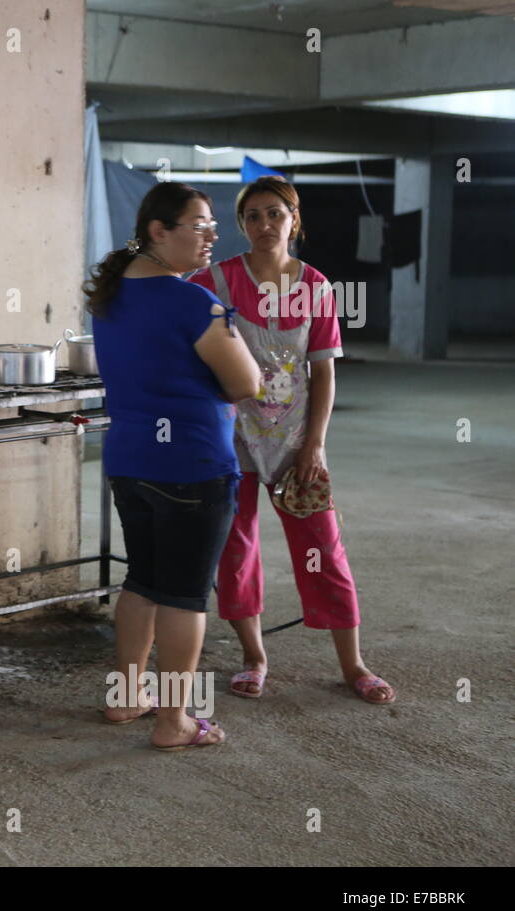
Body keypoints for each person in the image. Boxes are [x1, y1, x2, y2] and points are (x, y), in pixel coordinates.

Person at [188, 176, 396, 704]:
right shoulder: (214, 282)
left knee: (323, 547)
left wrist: (315, 444)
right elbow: (181, 344)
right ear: (241, 225)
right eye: (253, 216)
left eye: (274, 214)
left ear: (293, 220)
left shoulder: (317, 287)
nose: (264, 225)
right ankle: (254, 658)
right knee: (236, 551)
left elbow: (323, 373)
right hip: (230, 440)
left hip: (294, 440)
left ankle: (353, 664)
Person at [86, 182, 261, 750]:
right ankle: (173, 721)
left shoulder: (110, 298)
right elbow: (246, 382)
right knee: (184, 595)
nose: (212, 237)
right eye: (200, 225)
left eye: (214, 225)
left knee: (142, 581)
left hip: (130, 461)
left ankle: (125, 697)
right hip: (191, 465)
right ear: (159, 231)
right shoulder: (193, 303)